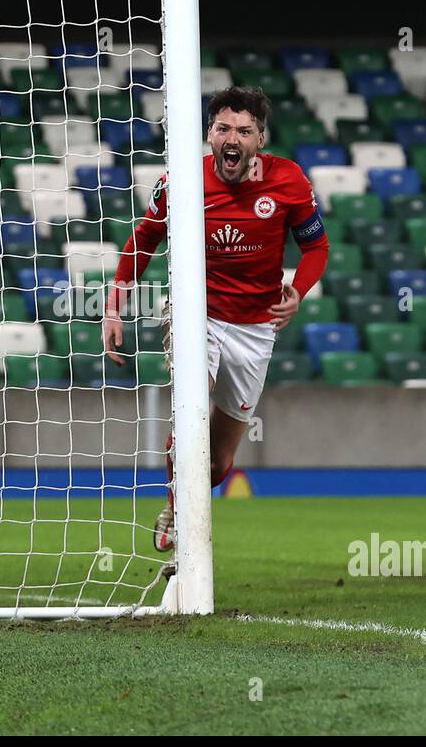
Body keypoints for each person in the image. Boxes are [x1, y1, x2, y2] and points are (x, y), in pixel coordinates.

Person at [103, 86, 330, 554]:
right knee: (192, 405)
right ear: (210, 134)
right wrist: (113, 305)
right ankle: (176, 512)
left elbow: (316, 247)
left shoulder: (288, 181)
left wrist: (298, 292)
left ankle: (187, 503)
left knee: (220, 462)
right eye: (223, 127)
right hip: (195, 312)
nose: (233, 137)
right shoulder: (182, 180)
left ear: (260, 139)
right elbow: (145, 240)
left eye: (244, 130)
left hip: (256, 326)